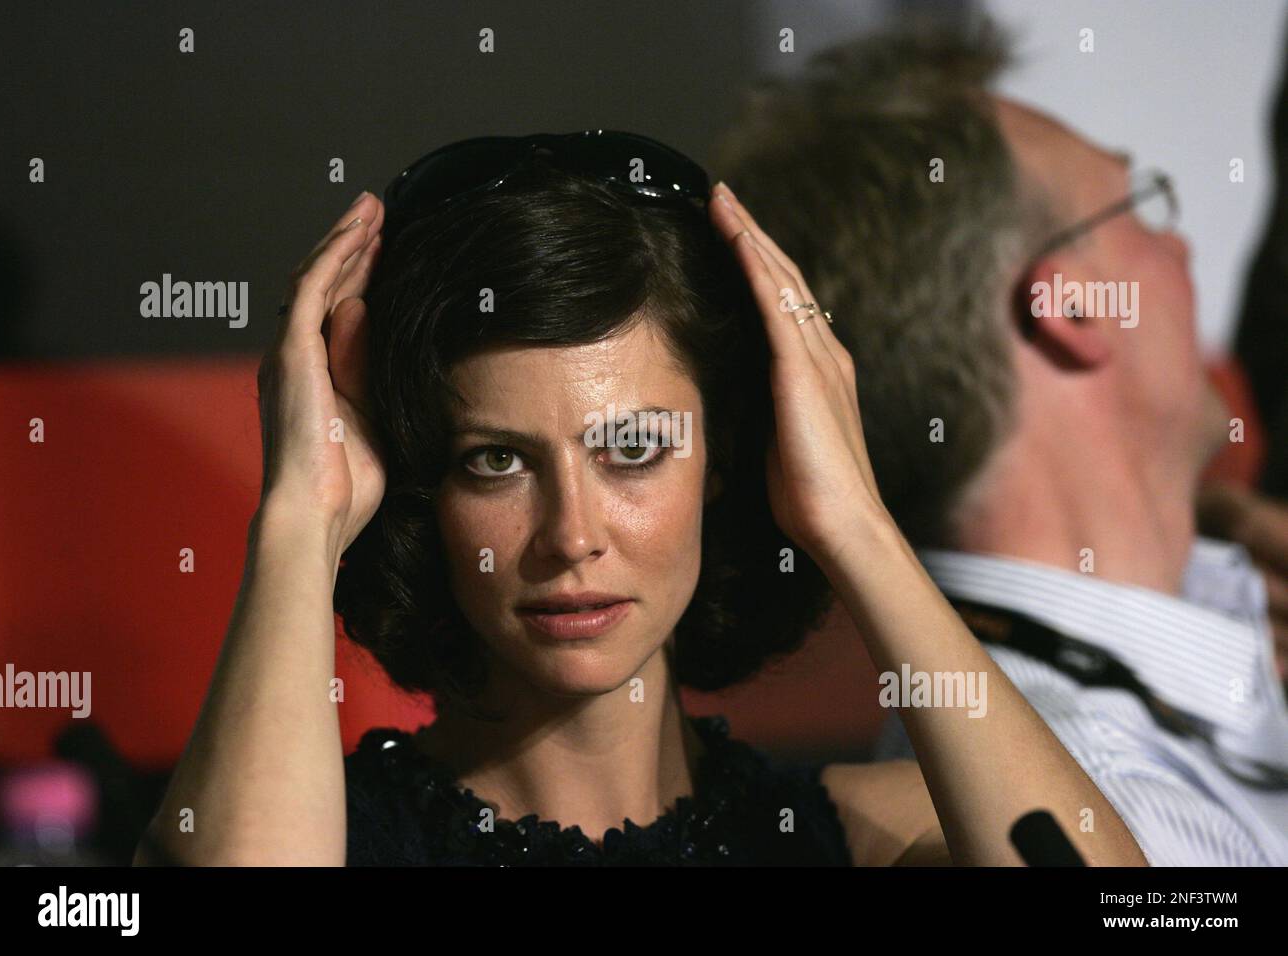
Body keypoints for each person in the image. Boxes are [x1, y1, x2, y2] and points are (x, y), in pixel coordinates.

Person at [133, 131, 1145, 866]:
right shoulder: (313, 837)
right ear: (413, 484)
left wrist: (852, 520)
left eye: (633, 449)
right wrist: (300, 518)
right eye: (496, 460)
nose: (571, 534)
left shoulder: (869, 833)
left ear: (729, 459)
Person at [713, 22, 1288, 865]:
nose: (1182, 245)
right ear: (1075, 311)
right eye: (1140, 208)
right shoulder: (1116, 811)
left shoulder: (1215, 644)